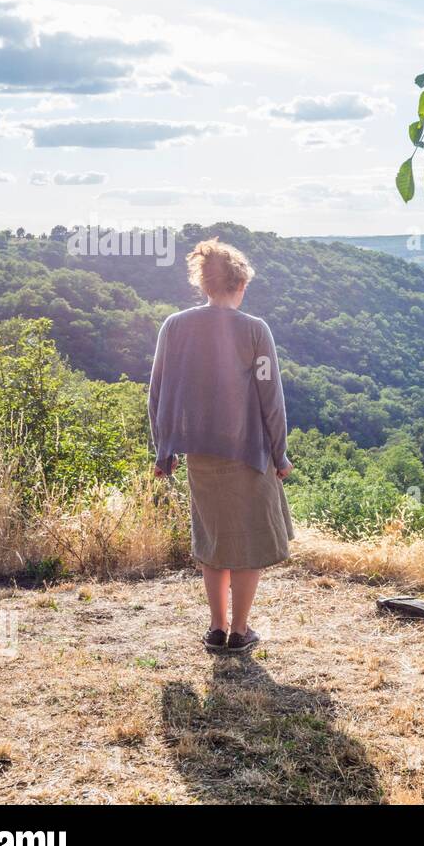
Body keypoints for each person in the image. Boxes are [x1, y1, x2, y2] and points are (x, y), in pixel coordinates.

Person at [148, 238, 294, 654]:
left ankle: (216, 627)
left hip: (200, 454)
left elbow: (157, 391)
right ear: (240, 283)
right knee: (248, 545)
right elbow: (271, 397)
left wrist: (164, 450)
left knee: (212, 541)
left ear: (204, 284)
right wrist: (280, 455)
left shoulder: (174, 326)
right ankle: (240, 631)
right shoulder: (255, 330)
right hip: (250, 454)